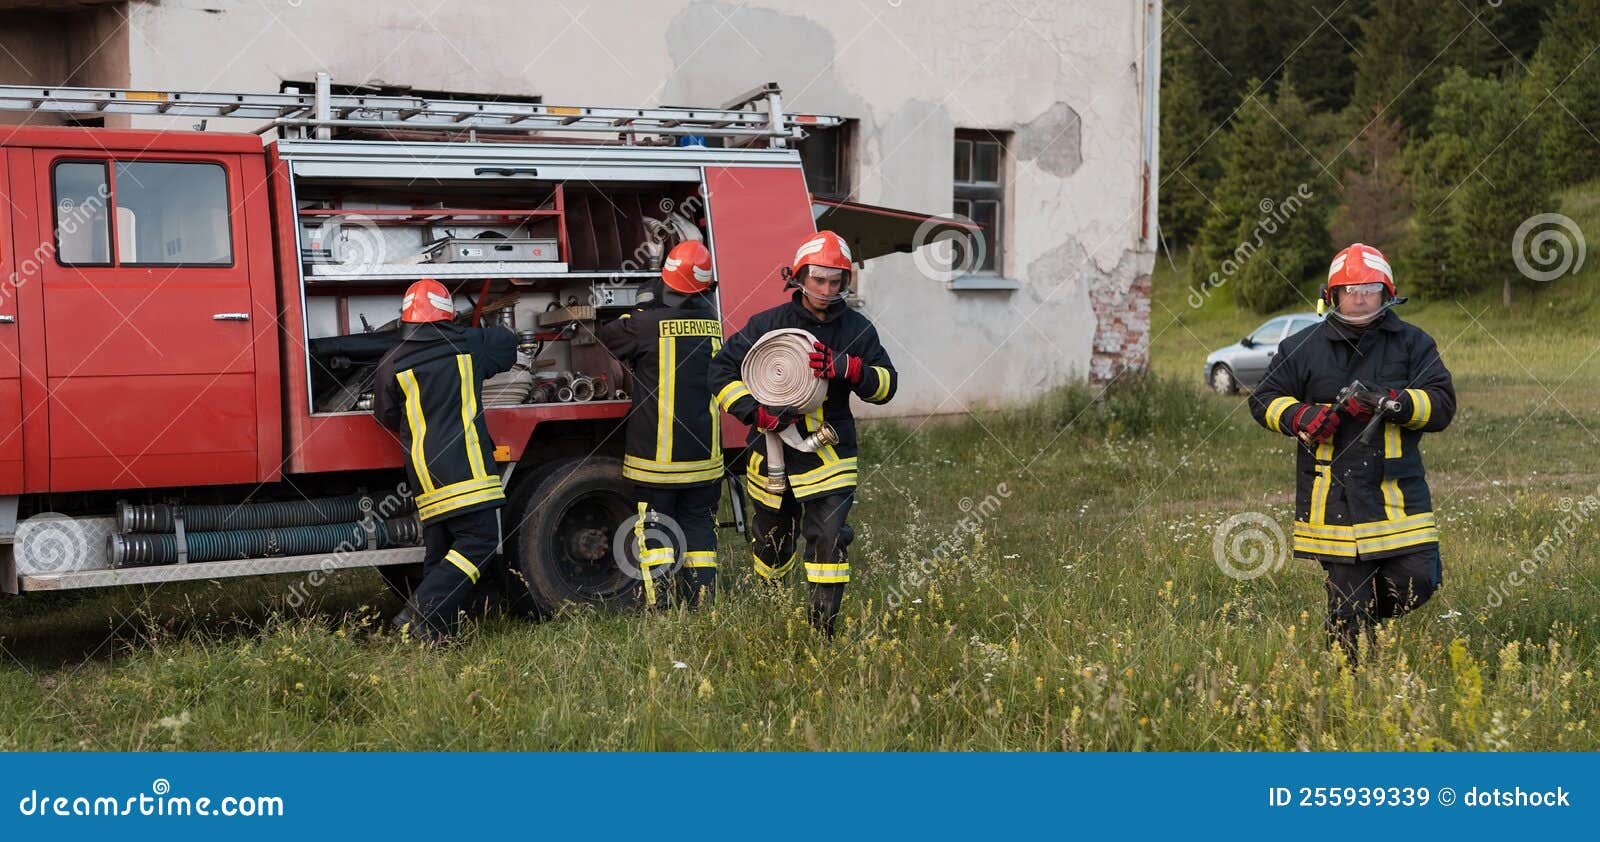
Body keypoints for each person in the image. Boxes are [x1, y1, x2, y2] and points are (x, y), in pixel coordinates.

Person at [1249, 243, 1456, 665]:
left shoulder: (1413, 343)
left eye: (1369, 288)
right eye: (1350, 288)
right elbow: (1263, 398)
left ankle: (1355, 620)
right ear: (1332, 295)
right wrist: (1300, 415)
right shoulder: (1300, 347)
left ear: (1387, 293)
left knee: (1420, 580)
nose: (1360, 296)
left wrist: (1392, 402)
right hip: (1334, 499)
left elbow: (1442, 405)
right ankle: (1348, 680)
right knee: (1349, 604)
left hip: (1398, 496)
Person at [709, 230, 898, 635]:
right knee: (772, 542)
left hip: (829, 455)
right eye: (818, 280)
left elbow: (887, 385)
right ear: (798, 277)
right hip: (771, 454)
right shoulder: (767, 324)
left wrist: (851, 369)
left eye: (836, 282)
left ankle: (822, 631)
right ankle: (771, 605)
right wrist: (755, 412)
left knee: (829, 539)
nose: (827, 290)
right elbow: (721, 371)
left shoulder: (857, 329)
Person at [373, 278, 518, 645]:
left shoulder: (392, 362)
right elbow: (508, 346)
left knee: (439, 553)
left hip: (425, 475)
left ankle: (436, 636)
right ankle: (419, 609)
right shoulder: (470, 346)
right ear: (446, 315)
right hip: (469, 470)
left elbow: (386, 416)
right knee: (479, 543)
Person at [599, 240, 724, 608]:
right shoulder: (713, 325)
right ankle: (702, 604)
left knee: (655, 533)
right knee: (700, 531)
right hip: (704, 459)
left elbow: (607, 336)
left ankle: (662, 610)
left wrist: (639, 307)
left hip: (656, 464)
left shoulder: (644, 323)